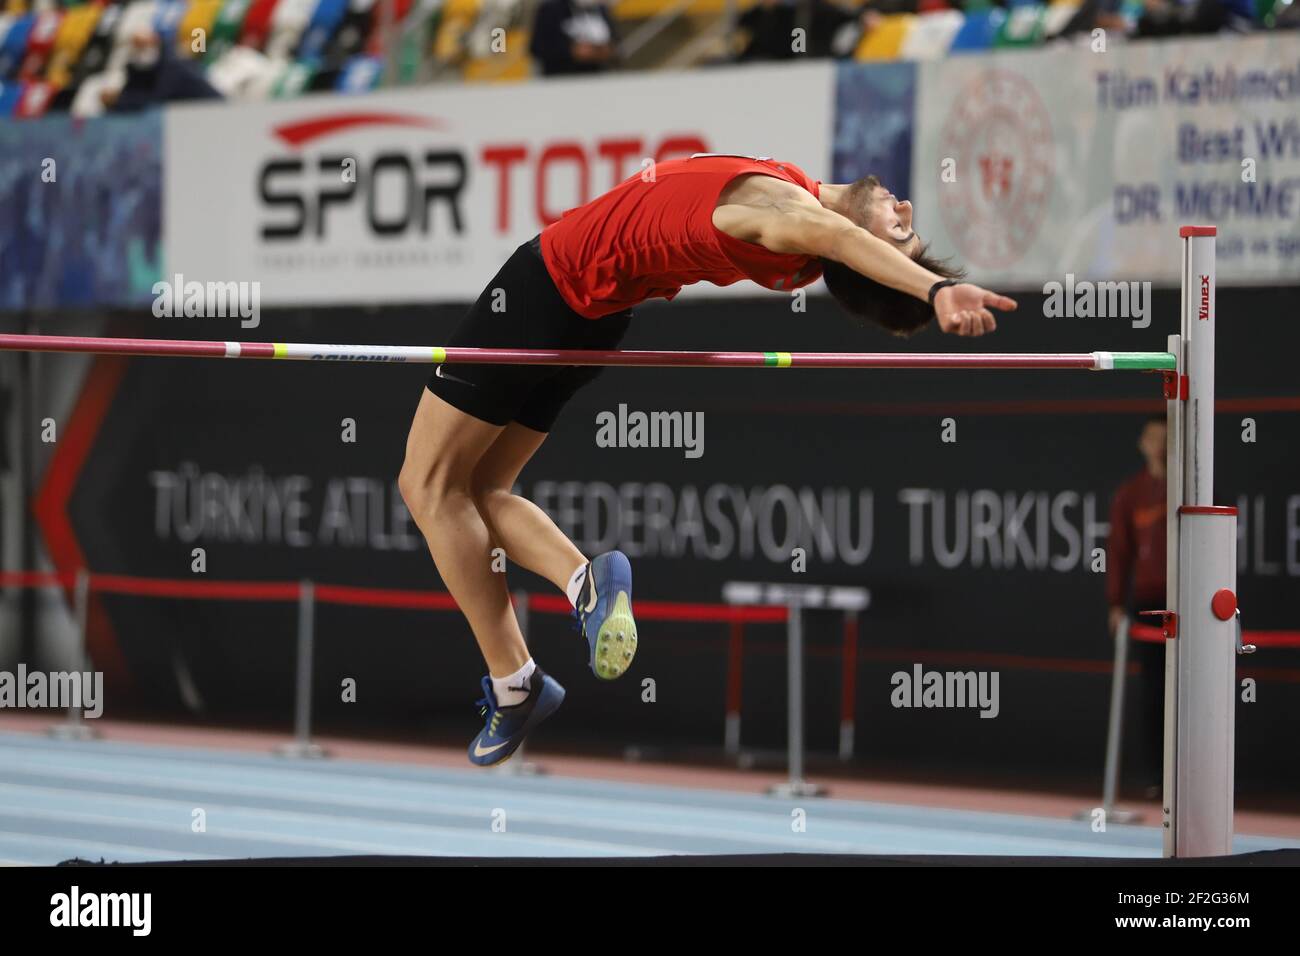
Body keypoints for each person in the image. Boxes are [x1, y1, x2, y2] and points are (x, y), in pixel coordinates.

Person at [398, 153, 1017, 766]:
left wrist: (932, 288)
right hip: (595, 315)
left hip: (550, 284)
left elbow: (834, 233)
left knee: (426, 486)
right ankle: (581, 590)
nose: (902, 205)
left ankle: (518, 678)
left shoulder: (790, 223)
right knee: (481, 492)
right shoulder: (795, 207)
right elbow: (832, 230)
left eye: (899, 229)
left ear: (859, 252)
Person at [1106, 415, 1168, 797]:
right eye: (1153, 438)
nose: (1159, 445)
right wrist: (1115, 604)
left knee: (1189, 689)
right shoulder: (1130, 494)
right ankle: (1156, 777)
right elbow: (1118, 553)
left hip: (1186, 597)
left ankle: (1192, 774)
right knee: (1153, 689)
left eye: (1167, 438)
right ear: (1142, 443)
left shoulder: (1190, 486)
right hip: (1148, 602)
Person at [529, 0, 620, 76]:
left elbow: (616, 44)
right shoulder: (549, 9)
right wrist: (571, 51)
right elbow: (536, 47)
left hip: (596, 80)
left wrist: (606, 50)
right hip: (560, 81)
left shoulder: (600, 9)